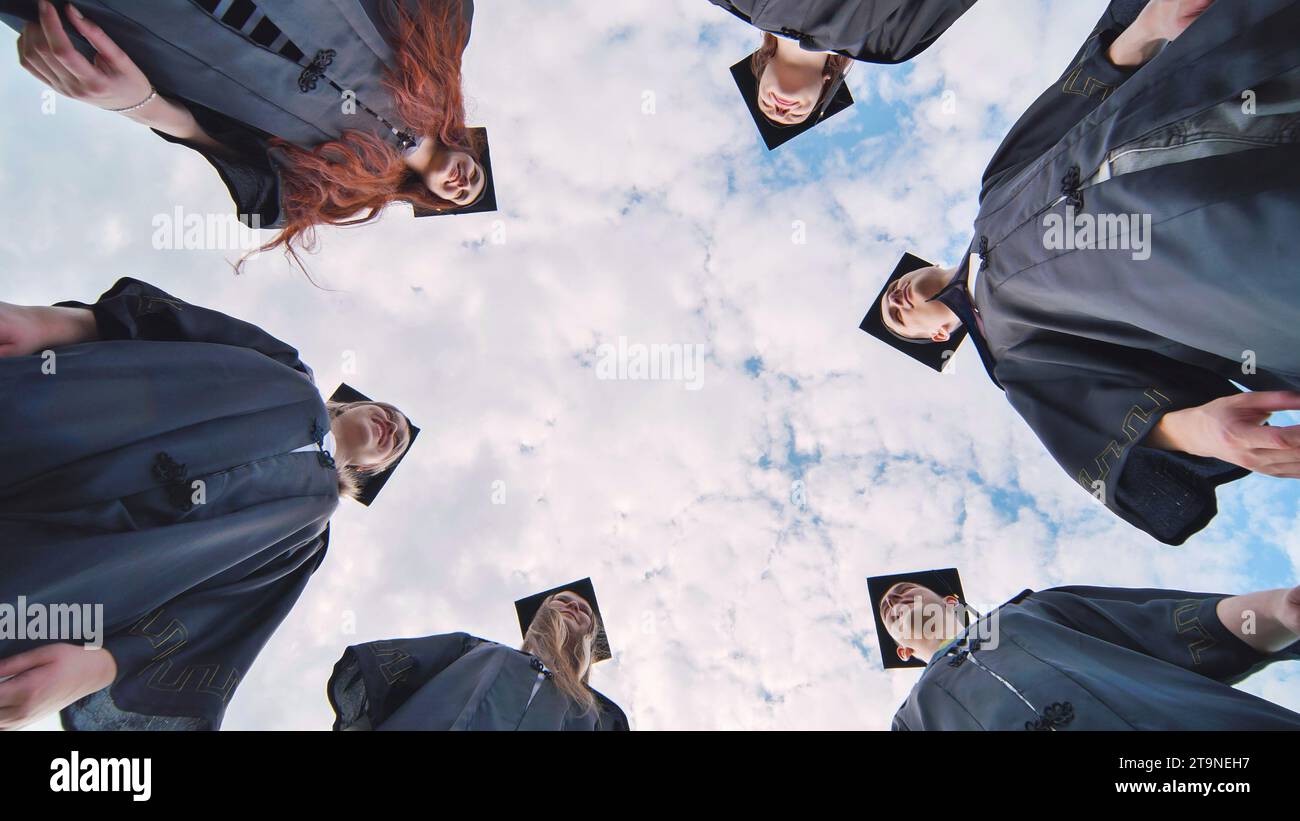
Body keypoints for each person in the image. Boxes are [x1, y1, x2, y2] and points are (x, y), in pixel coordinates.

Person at [861, 0, 1300, 544]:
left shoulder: (993, 192)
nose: (894, 301)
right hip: (1251, 272)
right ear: (938, 335)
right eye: (896, 320)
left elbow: (1074, 98)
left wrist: (1146, 27)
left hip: (1225, 84)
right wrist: (1200, 433)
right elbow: (1106, 427)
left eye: (890, 293)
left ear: (921, 264)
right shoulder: (1014, 358)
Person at [0, 277, 418, 730]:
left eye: (396, 443)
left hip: (76, 562)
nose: (393, 427)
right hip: (52, 419)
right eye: (389, 412)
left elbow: (212, 617)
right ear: (353, 403)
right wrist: (46, 323)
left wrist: (101, 664)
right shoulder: (285, 368)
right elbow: (174, 324)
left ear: (370, 471)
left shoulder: (306, 533)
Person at [4, 0, 494, 271]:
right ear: (470, 146)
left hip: (148, 25)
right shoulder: (437, 38)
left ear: (430, 200)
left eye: (460, 198)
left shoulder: (336, 190)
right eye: (475, 179)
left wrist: (137, 104)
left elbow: (221, 148)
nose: (464, 185)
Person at [869, 568, 1300, 730]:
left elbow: (1165, 624)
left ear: (950, 602)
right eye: (888, 610)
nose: (893, 601)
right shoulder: (912, 722)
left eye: (905, 590)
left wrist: (1279, 611)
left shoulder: (1035, 611)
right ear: (903, 651)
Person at [327, 578, 630, 730]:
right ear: (542, 612)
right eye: (563, 600)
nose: (574, 606)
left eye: (584, 610)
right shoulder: (474, 650)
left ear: (590, 635)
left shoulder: (598, 715)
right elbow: (388, 677)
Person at [710, 0, 976, 145]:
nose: (781, 111)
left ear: (760, 67)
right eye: (798, 113)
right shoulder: (889, 44)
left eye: (766, 106)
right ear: (826, 86)